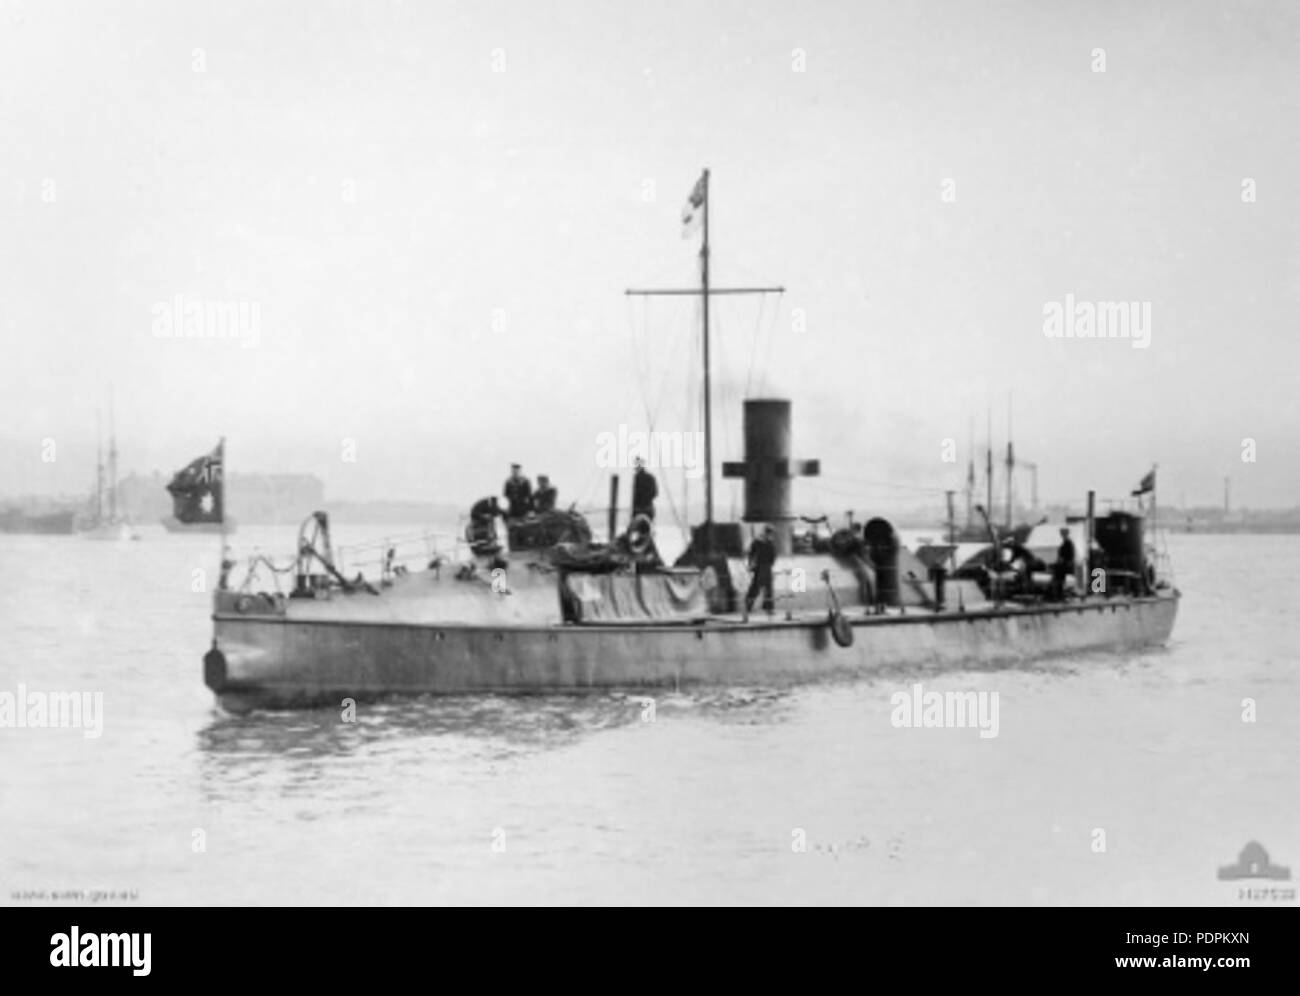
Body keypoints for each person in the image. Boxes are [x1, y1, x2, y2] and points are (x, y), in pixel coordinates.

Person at [744, 524, 778, 619]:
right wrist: (752, 564)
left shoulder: (757, 542)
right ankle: (767, 608)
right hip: (764, 567)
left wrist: (750, 564)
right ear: (769, 533)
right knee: (764, 588)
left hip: (761, 567)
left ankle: (749, 605)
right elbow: (773, 557)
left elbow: (751, 554)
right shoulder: (768, 543)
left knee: (757, 588)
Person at [1051, 527, 1076, 599]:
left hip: (1066, 565)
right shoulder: (1065, 543)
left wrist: (1063, 561)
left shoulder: (1068, 543)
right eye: (1062, 533)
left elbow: (1069, 555)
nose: (1062, 535)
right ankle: (1058, 593)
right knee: (1057, 576)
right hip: (1064, 564)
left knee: (1058, 577)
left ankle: (1059, 594)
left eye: (1063, 533)